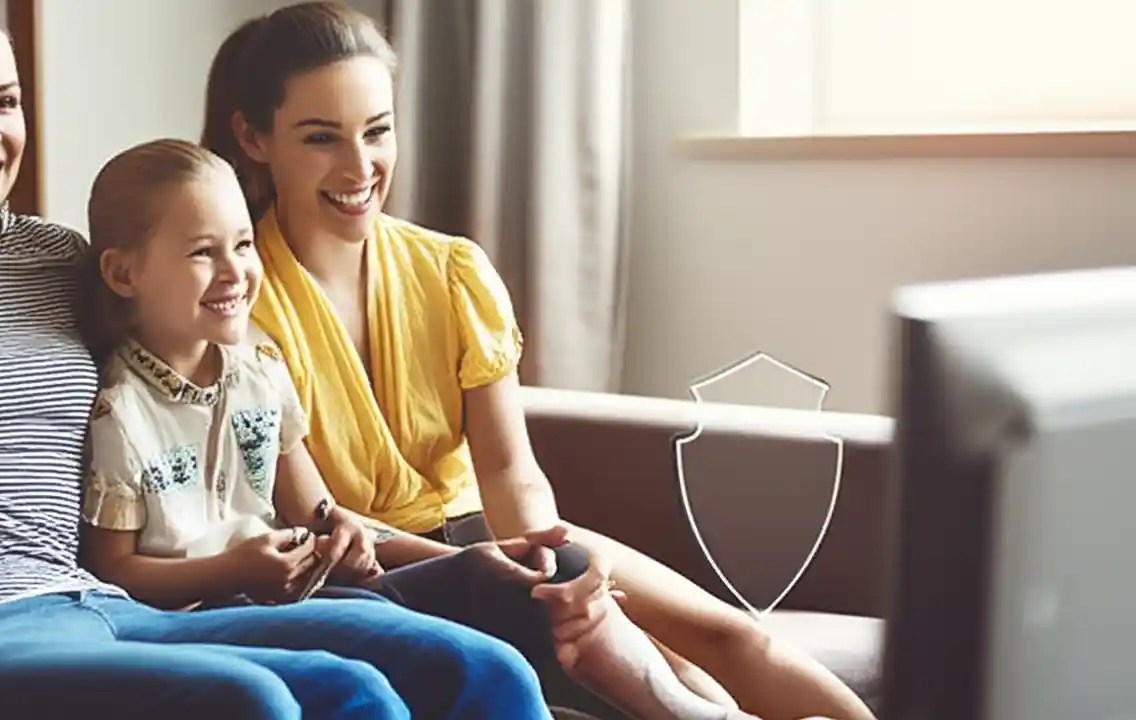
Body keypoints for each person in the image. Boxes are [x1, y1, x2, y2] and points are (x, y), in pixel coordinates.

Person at [0, 2, 556, 718]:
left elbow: (200, 402)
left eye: (4, 102)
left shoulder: (63, 260)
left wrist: (349, 529)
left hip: (95, 603)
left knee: (466, 665)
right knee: (251, 700)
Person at [200, 3, 877, 720]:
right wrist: (490, 571)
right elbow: (311, 517)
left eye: (378, 131)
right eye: (321, 139)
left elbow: (506, 467)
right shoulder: (237, 308)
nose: (359, 166)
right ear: (254, 137)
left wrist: (544, 553)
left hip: (490, 531)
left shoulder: (452, 270)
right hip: (381, 569)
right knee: (645, 673)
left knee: (723, 637)